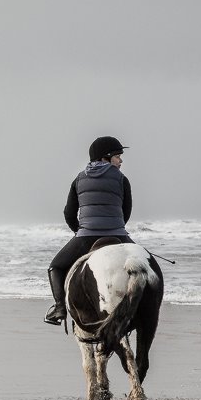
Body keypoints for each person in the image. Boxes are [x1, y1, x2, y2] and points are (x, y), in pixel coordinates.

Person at [43, 136, 135, 325]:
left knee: (56, 267)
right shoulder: (122, 179)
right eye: (118, 156)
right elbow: (127, 212)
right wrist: (114, 228)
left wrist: (81, 231)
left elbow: (69, 213)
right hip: (118, 235)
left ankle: (59, 307)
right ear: (105, 158)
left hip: (86, 236)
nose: (121, 161)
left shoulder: (79, 179)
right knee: (146, 268)